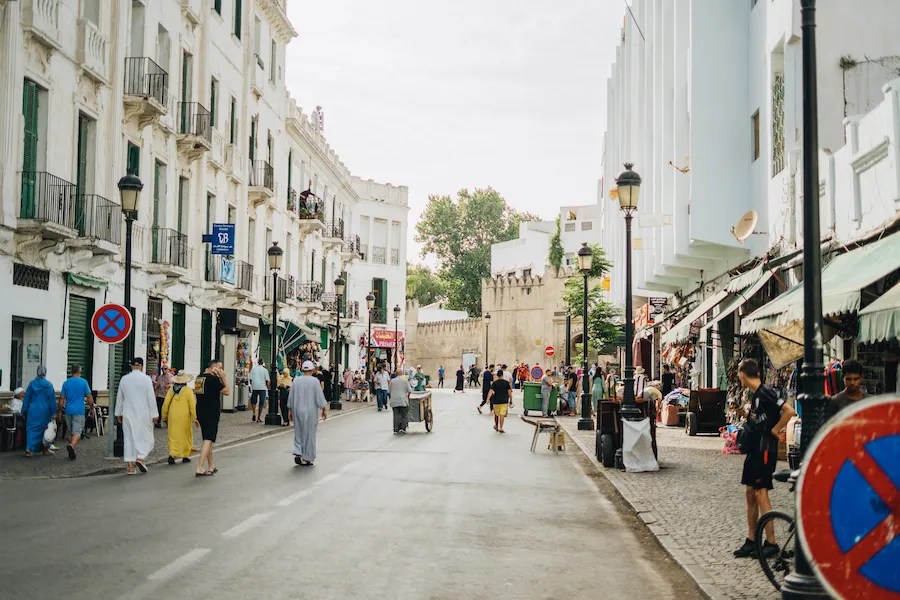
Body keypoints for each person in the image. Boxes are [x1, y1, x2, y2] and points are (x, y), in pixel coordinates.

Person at [733, 358, 796, 559]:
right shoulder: (757, 395)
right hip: (755, 449)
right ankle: (752, 540)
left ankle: (771, 543)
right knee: (750, 492)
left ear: (742, 375)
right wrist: (744, 413)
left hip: (764, 450)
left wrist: (776, 429)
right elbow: (761, 419)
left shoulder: (766, 391)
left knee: (761, 493)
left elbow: (789, 411)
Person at [115, 357, 158, 475]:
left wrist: (118, 413)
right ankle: (141, 457)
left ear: (131, 366)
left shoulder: (124, 379)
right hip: (143, 413)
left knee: (128, 438)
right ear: (142, 366)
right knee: (146, 437)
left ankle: (130, 466)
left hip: (128, 413)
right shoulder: (146, 379)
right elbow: (151, 398)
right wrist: (154, 414)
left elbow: (120, 397)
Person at [193, 360, 229, 477]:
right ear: (214, 368)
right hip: (211, 412)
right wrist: (223, 378)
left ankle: (211, 465)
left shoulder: (199, 378)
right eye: (220, 368)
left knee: (207, 440)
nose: (221, 371)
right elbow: (227, 391)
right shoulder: (213, 379)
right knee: (208, 439)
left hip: (200, 411)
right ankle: (199, 467)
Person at [289, 361, 327, 466]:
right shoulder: (315, 381)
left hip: (298, 409)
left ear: (302, 370)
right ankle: (307, 456)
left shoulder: (296, 381)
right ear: (311, 370)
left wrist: (290, 410)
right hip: (311, 411)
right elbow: (319, 396)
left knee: (298, 431)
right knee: (310, 434)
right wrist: (324, 409)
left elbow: (291, 397)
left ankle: (298, 451)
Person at [59, 364, 94, 460]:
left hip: (68, 410)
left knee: (70, 432)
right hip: (79, 410)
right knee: (78, 432)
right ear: (79, 371)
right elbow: (89, 397)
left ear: (71, 372)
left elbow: (61, 399)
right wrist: (91, 407)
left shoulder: (66, 383)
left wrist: (59, 411)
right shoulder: (83, 382)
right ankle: (72, 446)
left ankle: (71, 453)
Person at [161, 370, 197, 465]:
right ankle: (185, 455)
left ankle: (172, 455)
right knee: (185, 435)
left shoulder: (171, 390)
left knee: (173, 436)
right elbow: (192, 406)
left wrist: (164, 416)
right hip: (184, 417)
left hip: (173, 416)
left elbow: (165, 404)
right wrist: (195, 418)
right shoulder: (188, 391)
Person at [21, 365, 57, 458]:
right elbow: (52, 400)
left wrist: (24, 411)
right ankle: (45, 449)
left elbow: (27, 398)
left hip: (33, 411)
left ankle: (29, 450)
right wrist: (54, 412)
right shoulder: (49, 385)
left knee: (31, 430)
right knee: (44, 430)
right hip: (45, 412)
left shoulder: (32, 384)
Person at [485, 368, 512, 433]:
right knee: (502, 414)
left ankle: (496, 426)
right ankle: (501, 428)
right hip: (504, 401)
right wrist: (511, 400)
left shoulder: (495, 383)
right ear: (502, 375)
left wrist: (488, 399)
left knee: (496, 414)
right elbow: (509, 392)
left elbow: (491, 391)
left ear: (497, 375)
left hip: (496, 401)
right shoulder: (506, 383)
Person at [389, 368, 414, 434]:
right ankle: (403, 428)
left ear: (396, 374)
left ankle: (396, 429)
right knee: (404, 414)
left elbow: (389, 391)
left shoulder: (392, 381)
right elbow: (410, 390)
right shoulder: (405, 381)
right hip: (403, 400)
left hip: (394, 400)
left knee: (396, 415)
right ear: (402, 373)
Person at [249, 359, 269, 423]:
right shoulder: (265, 370)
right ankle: (258, 418)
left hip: (255, 387)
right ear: (262, 363)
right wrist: (268, 388)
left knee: (253, 401)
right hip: (262, 388)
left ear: (257, 362)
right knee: (261, 402)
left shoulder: (253, 369)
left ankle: (254, 413)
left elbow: (251, 379)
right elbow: (267, 380)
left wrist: (252, 385)